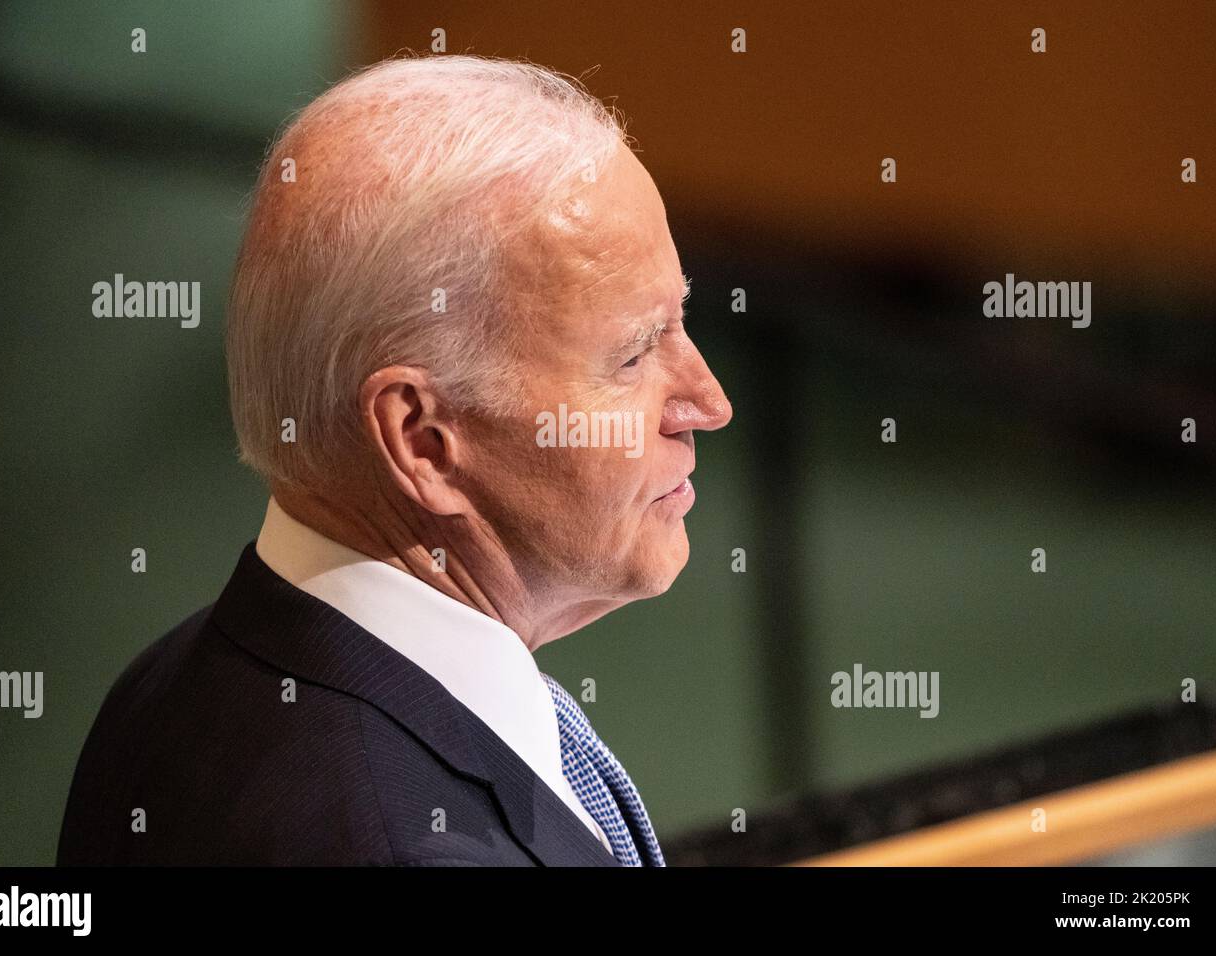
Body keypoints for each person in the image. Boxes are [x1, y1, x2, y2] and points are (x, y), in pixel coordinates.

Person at [57, 53, 732, 866]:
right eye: (631, 358)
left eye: (678, 320)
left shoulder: (161, 688)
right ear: (424, 443)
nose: (708, 402)